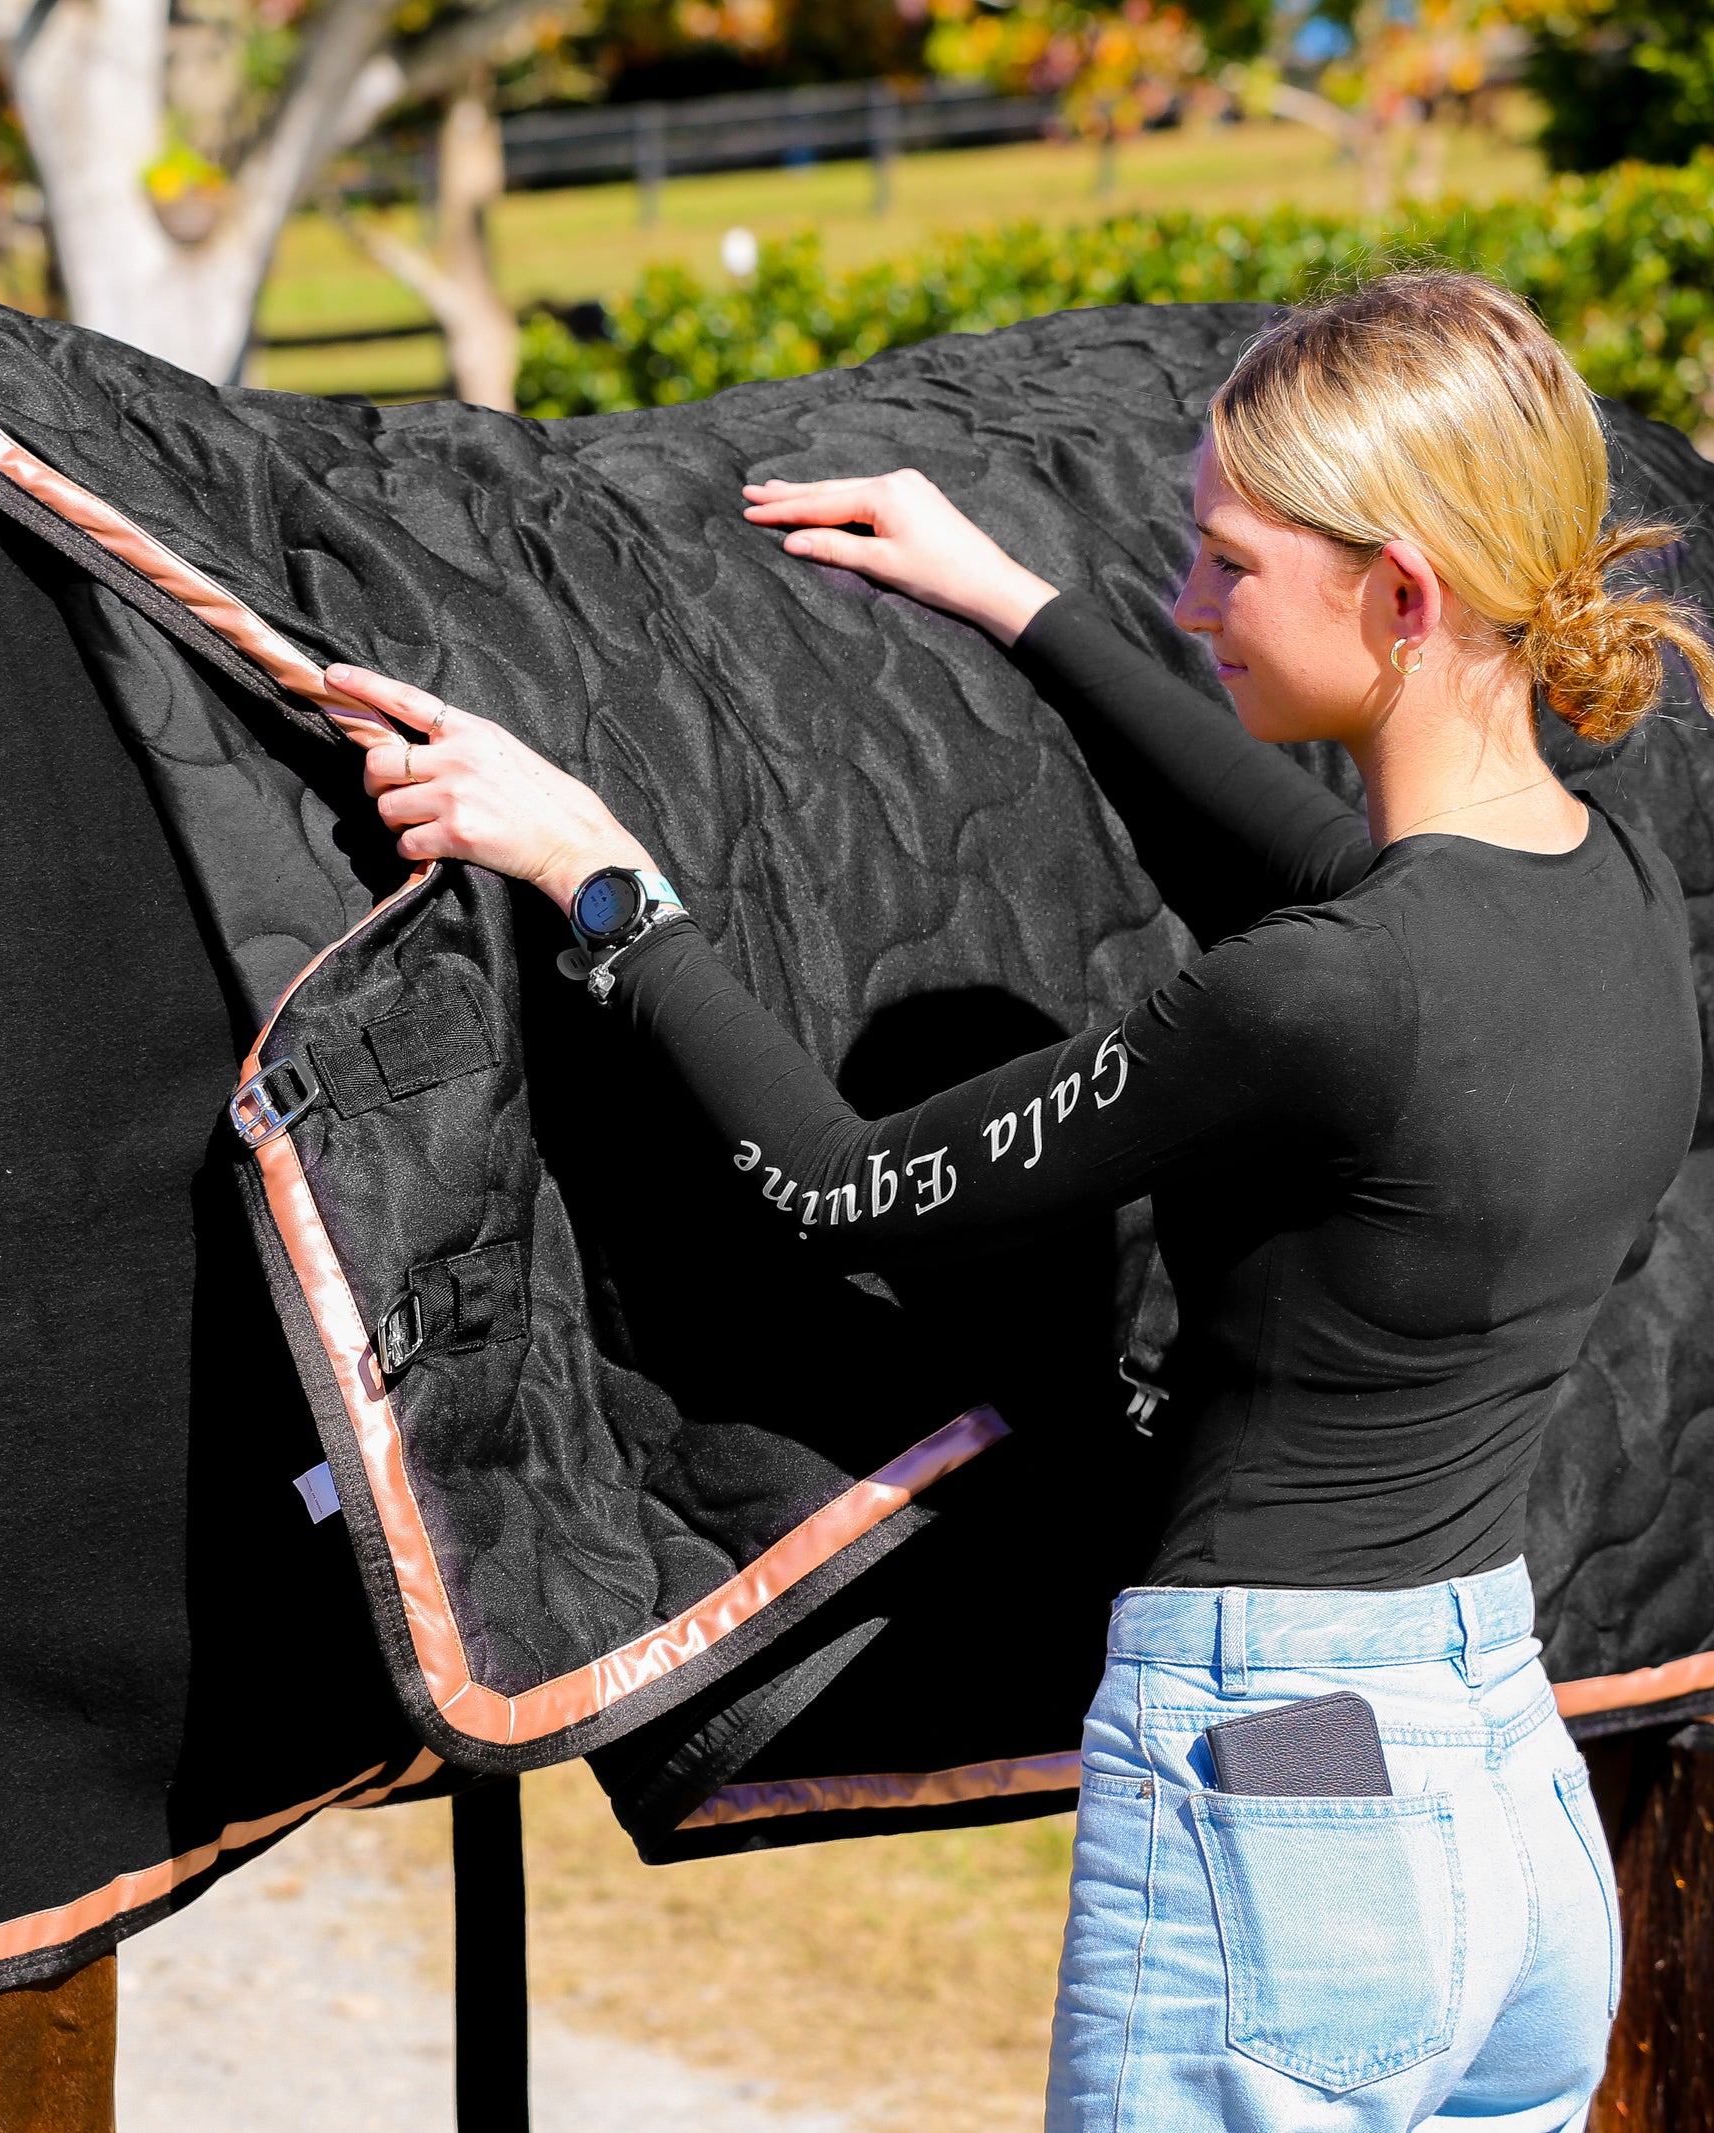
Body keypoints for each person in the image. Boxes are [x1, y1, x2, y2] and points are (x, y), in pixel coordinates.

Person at [328, 271, 1701, 2129]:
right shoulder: (1604, 892)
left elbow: (841, 1185)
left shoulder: (1328, 995)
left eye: (1228, 566)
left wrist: (598, 877)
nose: (1193, 601)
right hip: (1509, 1797)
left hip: (1286, 1778)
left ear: (1401, 593)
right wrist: (1016, 602)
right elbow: (1309, 858)